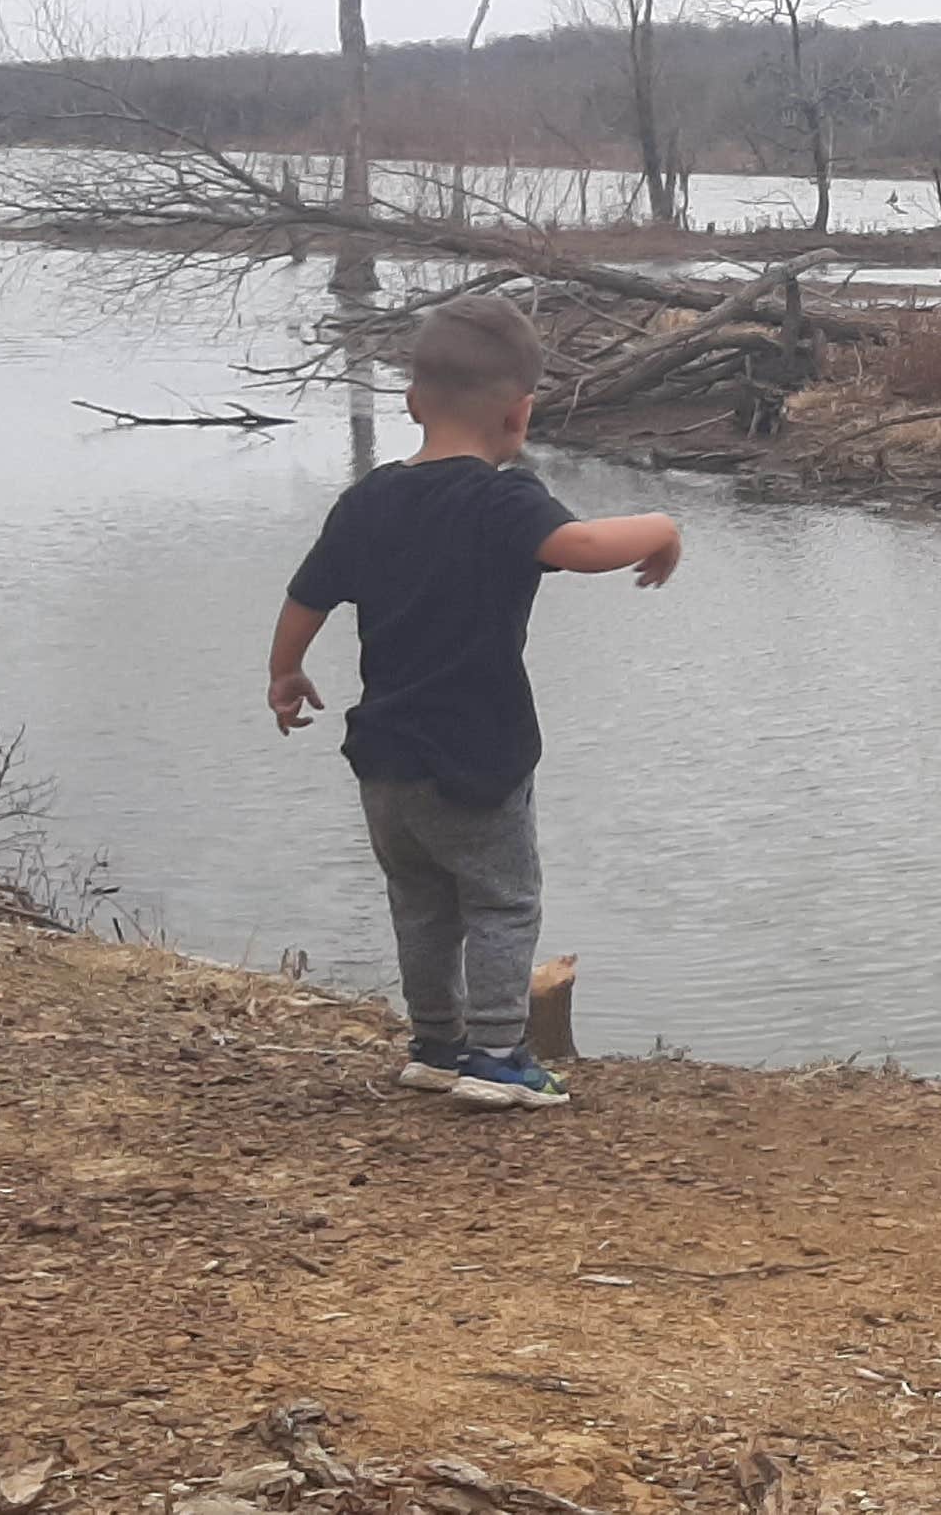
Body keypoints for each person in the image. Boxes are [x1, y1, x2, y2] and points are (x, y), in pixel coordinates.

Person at [265, 293, 681, 1110]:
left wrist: (285, 672)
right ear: (520, 417)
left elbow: (306, 597)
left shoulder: (367, 500)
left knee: (420, 903)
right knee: (501, 899)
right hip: (477, 757)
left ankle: (433, 1043)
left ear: (413, 404)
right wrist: (662, 525)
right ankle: (496, 1054)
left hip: (384, 758)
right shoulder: (504, 500)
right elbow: (588, 548)